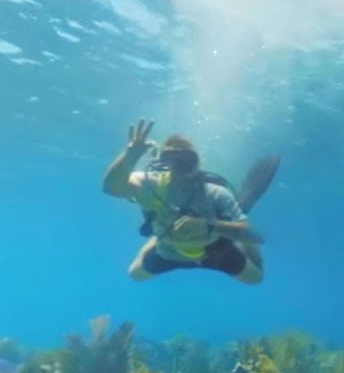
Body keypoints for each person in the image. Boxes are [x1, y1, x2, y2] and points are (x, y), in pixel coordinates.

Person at [101, 119, 276, 284]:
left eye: (185, 160)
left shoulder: (214, 192)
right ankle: (157, 237)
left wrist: (210, 225)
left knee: (256, 278)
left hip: (215, 251)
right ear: (161, 163)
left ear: (197, 163)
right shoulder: (151, 185)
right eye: (170, 159)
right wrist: (130, 156)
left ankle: (239, 212)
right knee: (134, 274)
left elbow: (255, 236)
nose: (177, 166)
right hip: (168, 251)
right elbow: (111, 188)